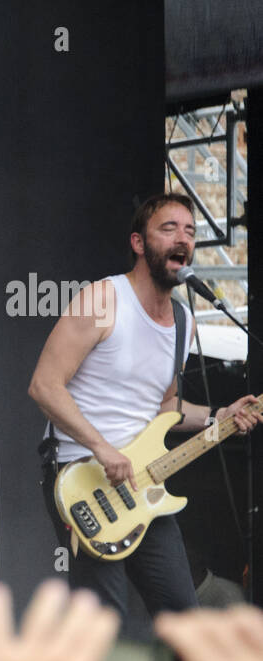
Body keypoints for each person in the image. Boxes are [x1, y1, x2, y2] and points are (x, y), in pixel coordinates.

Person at [28, 193, 261, 627]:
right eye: (168, 228)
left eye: (190, 231)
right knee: (104, 624)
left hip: (142, 483)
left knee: (183, 620)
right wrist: (101, 448)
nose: (182, 238)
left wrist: (219, 416)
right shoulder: (103, 299)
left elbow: (164, 407)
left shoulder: (182, 322)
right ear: (139, 243)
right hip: (83, 476)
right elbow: (43, 385)